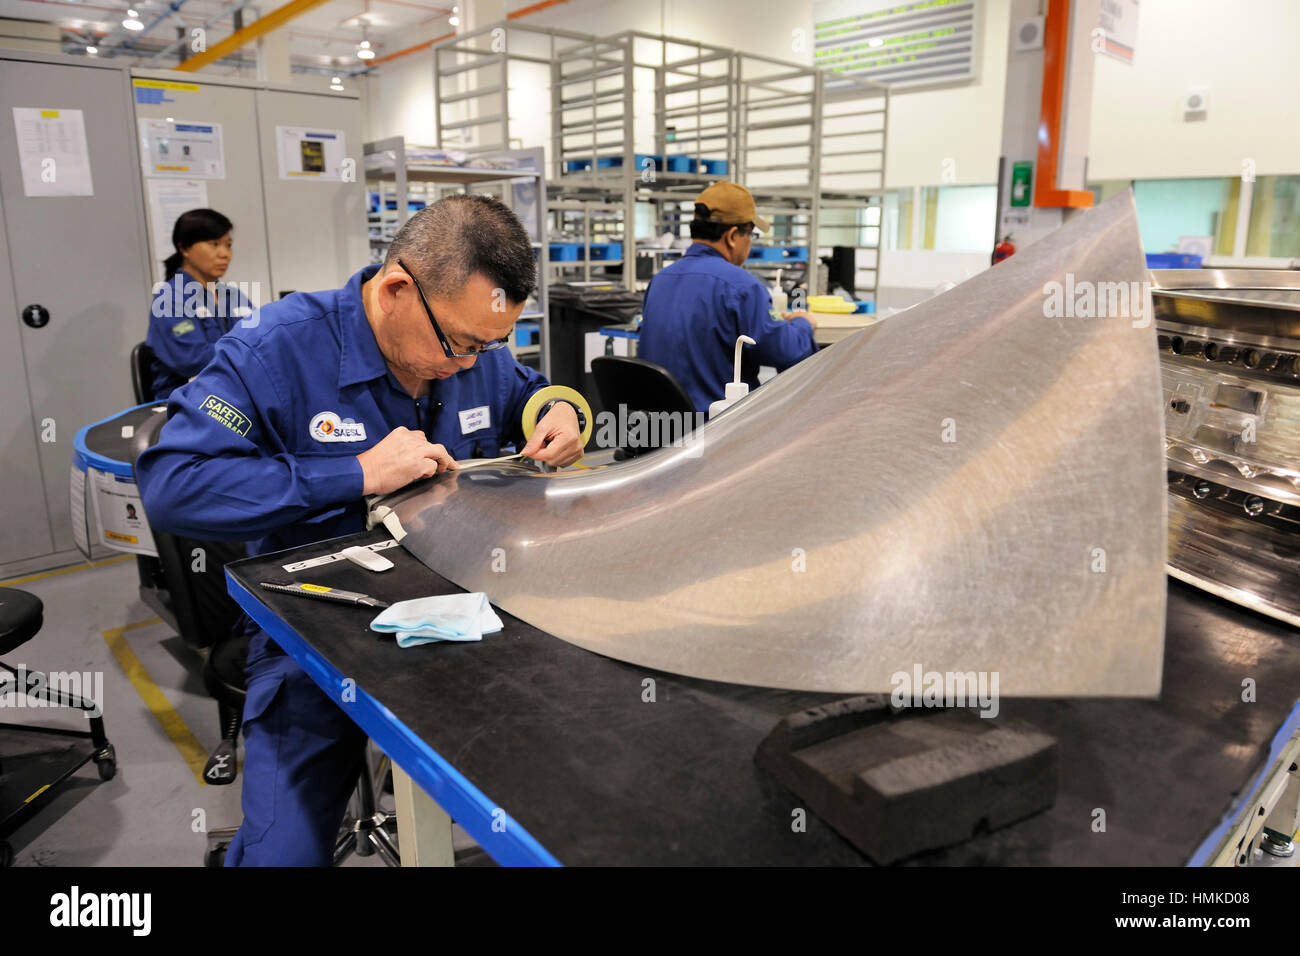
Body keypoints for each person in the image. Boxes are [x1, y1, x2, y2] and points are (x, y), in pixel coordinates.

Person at [135, 194, 584, 866]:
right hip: (317, 631)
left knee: (581, 789)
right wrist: (354, 475)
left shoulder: (474, 348)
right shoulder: (274, 350)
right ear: (398, 288)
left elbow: (529, 391)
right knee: (282, 855)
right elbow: (174, 487)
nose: (471, 365)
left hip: (470, 613)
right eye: (460, 345)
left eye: (489, 345)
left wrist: (561, 411)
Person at [638, 182, 819, 413]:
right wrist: (804, 323)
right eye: (751, 234)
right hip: (717, 431)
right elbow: (787, 352)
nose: (750, 243)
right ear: (733, 236)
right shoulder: (741, 286)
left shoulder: (661, 280)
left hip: (658, 432)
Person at [146, 208, 254, 399]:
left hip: (233, 394)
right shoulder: (169, 299)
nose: (225, 254)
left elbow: (263, 337)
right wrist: (247, 350)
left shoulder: (233, 295)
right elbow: (193, 360)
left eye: (228, 245)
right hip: (187, 402)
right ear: (184, 248)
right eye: (214, 244)